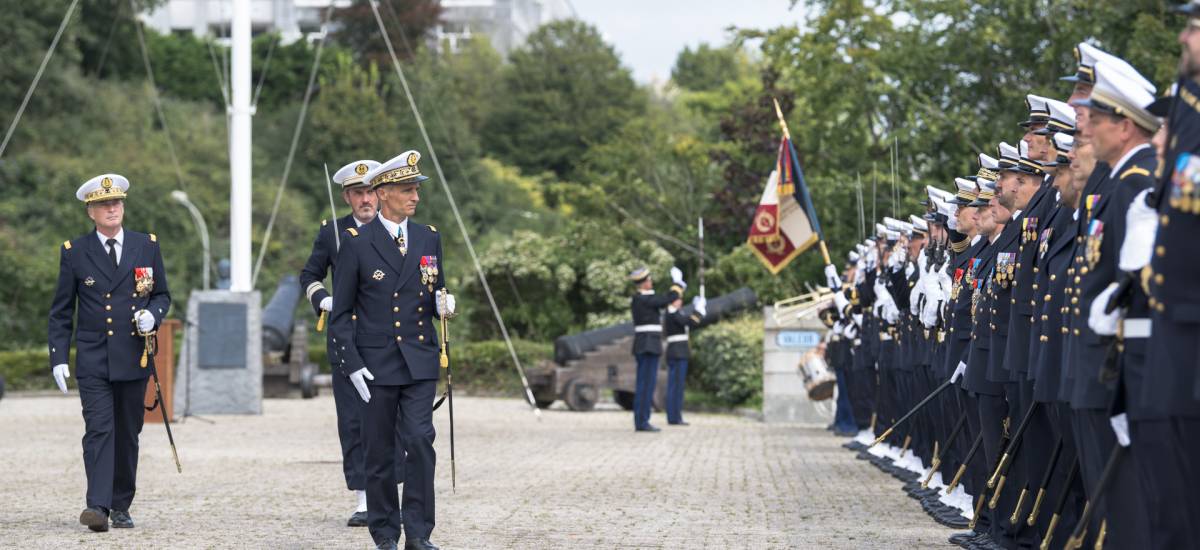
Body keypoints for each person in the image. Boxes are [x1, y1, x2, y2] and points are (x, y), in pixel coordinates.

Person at [329, 150, 455, 550]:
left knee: (419, 440)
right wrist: (351, 366)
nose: (414, 196)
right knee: (380, 451)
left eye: (416, 188)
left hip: (418, 358)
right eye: (406, 189)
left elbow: (436, 287)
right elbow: (342, 312)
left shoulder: (428, 236)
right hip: (376, 363)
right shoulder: (357, 243)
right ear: (382, 194)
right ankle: (385, 531)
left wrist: (444, 304)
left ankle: (418, 533)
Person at [48, 174, 171, 532]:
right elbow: (61, 310)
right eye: (104, 204)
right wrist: (58, 356)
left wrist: (154, 314)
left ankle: (121, 504)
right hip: (94, 357)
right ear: (91, 211)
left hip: (134, 355)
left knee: (128, 432)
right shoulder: (74, 252)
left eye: (116, 201)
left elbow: (161, 293)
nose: (112, 207)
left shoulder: (145, 245)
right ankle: (97, 506)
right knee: (99, 429)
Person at [301, 159, 409, 527]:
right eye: (357, 193)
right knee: (354, 422)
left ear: (380, 194)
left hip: (389, 340)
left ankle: (395, 494)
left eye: (369, 192)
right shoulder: (332, 232)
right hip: (348, 340)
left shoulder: (396, 231)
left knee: (394, 420)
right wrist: (323, 299)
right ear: (347, 197)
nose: (365, 199)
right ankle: (365, 499)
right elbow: (310, 274)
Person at [628, 266, 684, 432]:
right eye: (649, 280)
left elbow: (663, 299)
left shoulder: (643, 299)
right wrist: (677, 285)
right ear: (644, 283)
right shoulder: (643, 299)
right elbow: (668, 298)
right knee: (646, 385)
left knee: (645, 384)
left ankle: (642, 420)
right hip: (648, 345)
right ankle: (642, 422)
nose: (651, 282)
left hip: (646, 345)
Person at [662, 292, 706, 426]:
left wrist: (697, 310)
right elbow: (689, 322)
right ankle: (675, 417)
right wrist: (698, 310)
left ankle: (674, 416)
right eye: (678, 300)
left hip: (677, 351)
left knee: (675, 386)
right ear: (673, 301)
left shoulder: (675, 313)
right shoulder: (673, 314)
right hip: (678, 352)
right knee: (676, 386)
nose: (680, 302)